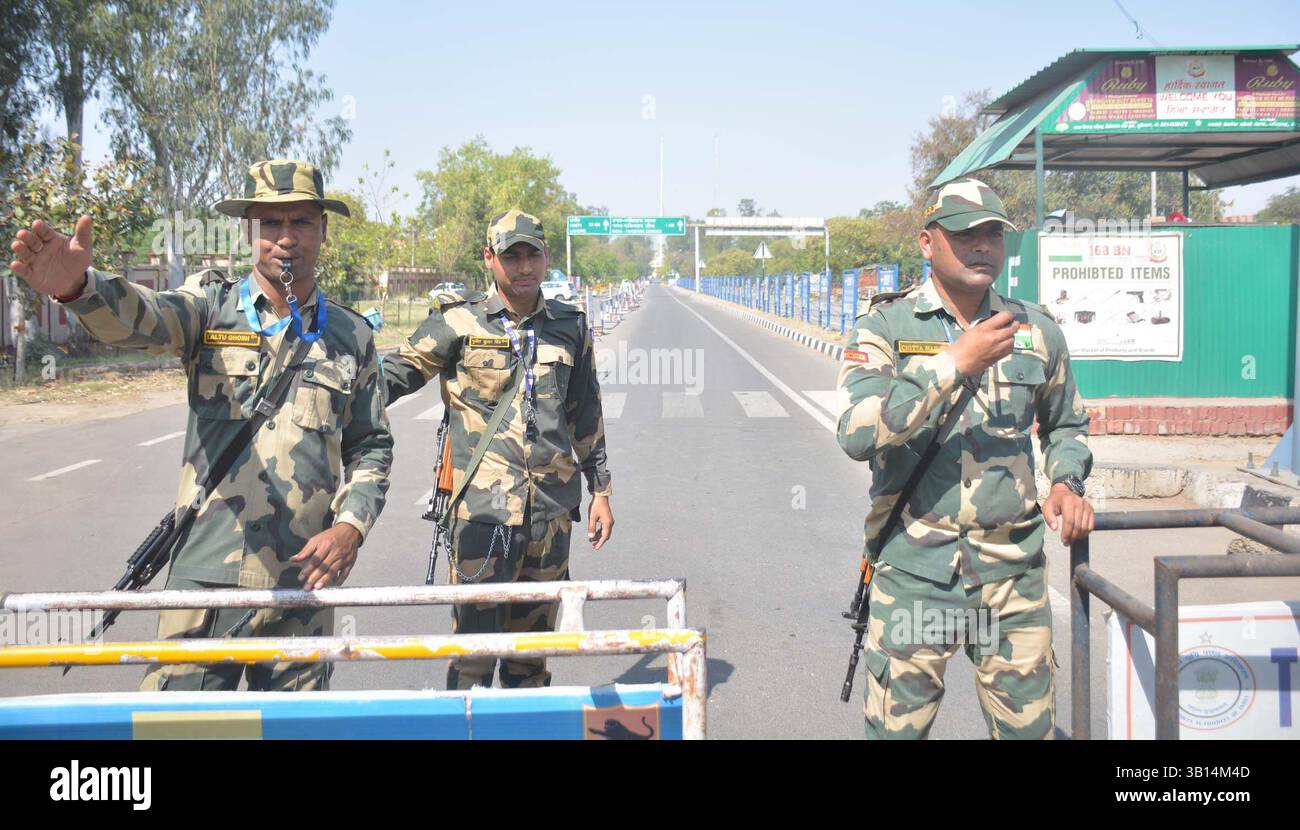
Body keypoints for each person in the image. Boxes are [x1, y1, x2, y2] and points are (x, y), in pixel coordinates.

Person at [7, 159, 393, 691]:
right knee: (178, 728)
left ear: (323, 230)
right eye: (270, 224)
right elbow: (146, 317)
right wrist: (81, 287)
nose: (286, 238)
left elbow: (371, 445)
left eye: (302, 222)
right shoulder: (209, 310)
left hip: (303, 582)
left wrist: (350, 527)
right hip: (205, 574)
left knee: (296, 733)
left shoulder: (351, 335)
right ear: (248, 232)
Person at [835, 177, 1094, 739]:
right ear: (928, 243)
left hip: (1013, 578)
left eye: (993, 234)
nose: (982, 246)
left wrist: (1066, 482)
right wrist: (954, 362)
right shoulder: (885, 326)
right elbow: (856, 432)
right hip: (913, 577)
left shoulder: (1036, 329)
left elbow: (1067, 424)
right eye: (965, 234)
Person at [383, 209, 614, 690]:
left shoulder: (570, 325)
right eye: (512, 256)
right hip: (482, 517)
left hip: (550, 514)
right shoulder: (457, 321)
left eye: (532, 254)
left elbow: (585, 411)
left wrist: (602, 491)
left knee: (531, 656)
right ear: (490, 259)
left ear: (546, 256)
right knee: (473, 655)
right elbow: (391, 376)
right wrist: (330, 399)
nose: (524, 266)